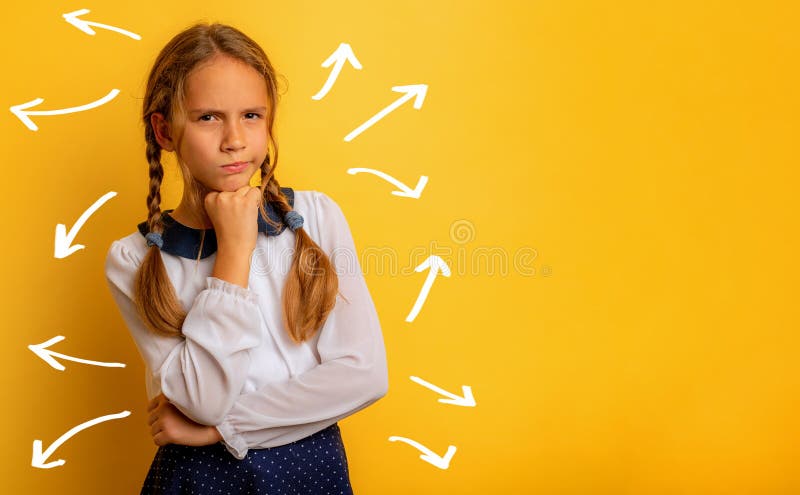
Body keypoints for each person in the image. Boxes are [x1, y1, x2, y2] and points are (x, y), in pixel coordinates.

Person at [103, 21, 389, 494]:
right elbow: (202, 400)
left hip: (311, 470)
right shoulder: (133, 260)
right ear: (165, 130)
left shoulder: (315, 217)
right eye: (208, 118)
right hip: (198, 479)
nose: (234, 139)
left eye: (252, 115)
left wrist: (222, 429)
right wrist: (234, 252)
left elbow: (364, 375)